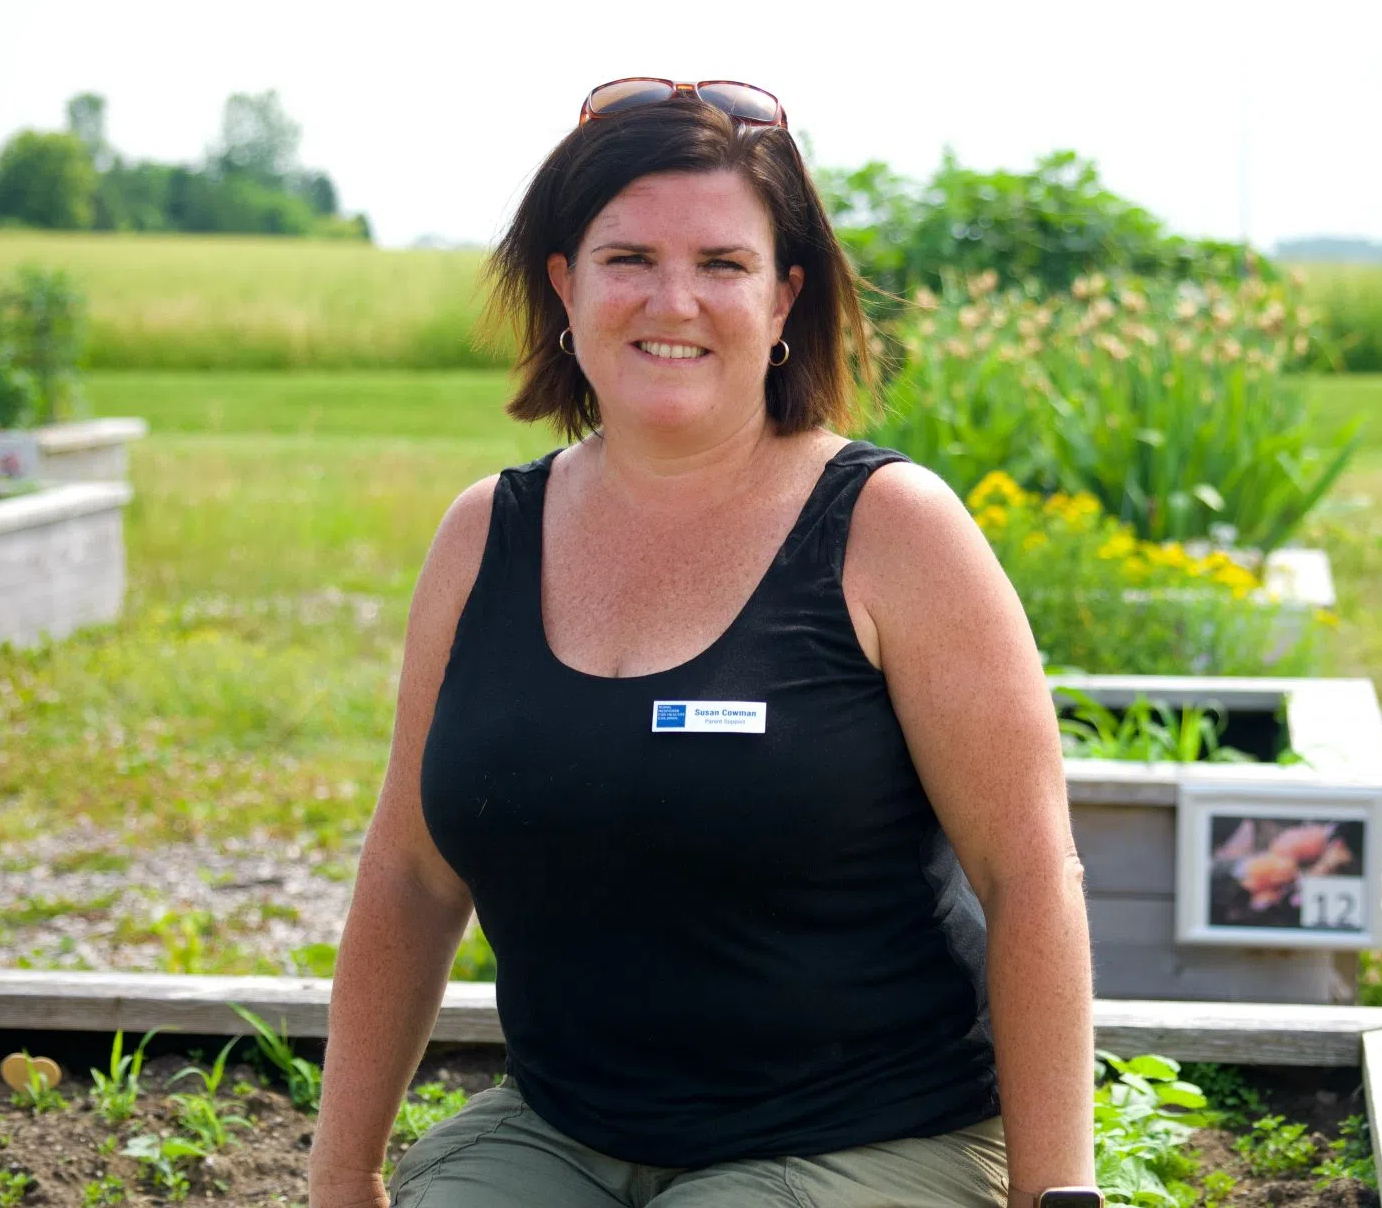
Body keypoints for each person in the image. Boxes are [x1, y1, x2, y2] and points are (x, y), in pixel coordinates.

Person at [309, 79, 1096, 1208]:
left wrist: (1055, 1194)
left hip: (866, 1133)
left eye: (722, 265)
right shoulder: (485, 532)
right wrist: (341, 1174)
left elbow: (1029, 878)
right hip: (563, 1129)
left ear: (783, 300)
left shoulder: (891, 531)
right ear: (563, 288)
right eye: (626, 257)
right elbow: (409, 874)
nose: (671, 299)